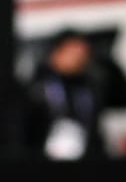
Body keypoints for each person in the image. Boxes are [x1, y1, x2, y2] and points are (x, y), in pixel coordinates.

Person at [23, 29, 110, 159]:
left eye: (84, 53)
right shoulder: (38, 86)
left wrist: (104, 60)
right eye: (73, 52)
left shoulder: (90, 85)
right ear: (57, 53)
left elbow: (125, 97)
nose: (79, 58)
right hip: (46, 161)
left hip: (85, 158)